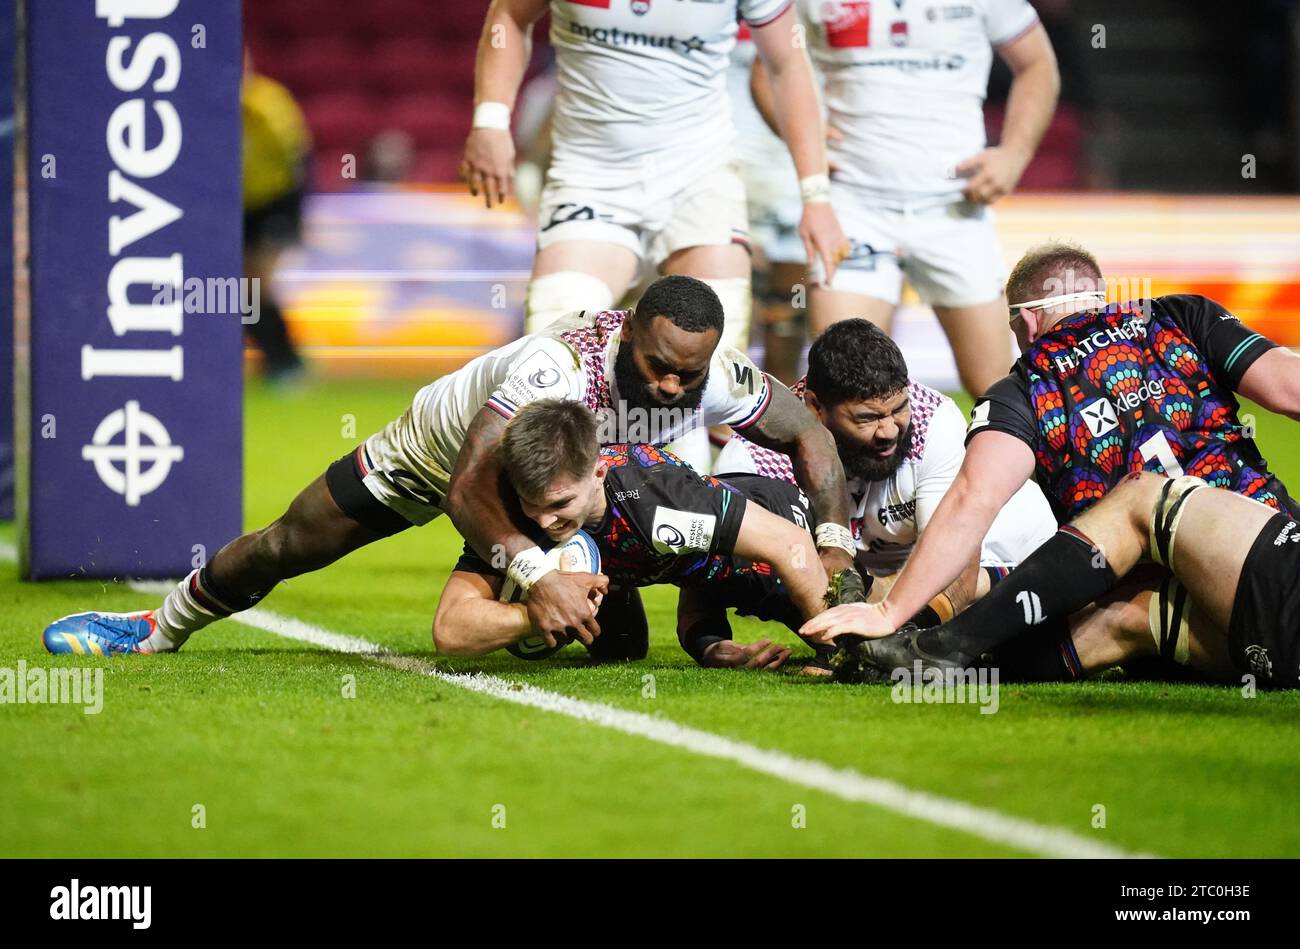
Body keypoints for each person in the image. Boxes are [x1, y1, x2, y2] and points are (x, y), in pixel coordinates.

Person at [42, 277, 855, 656]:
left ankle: (593, 625)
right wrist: (537, 575)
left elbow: (812, 440)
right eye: (657, 366)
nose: (672, 385)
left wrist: (832, 544)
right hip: (441, 459)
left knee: (620, 598)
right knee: (290, 544)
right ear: (627, 330)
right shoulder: (557, 365)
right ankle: (160, 628)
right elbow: (470, 482)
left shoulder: (713, 371)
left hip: (561, 485)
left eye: (688, 375)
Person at [800, 241, 1300, 645]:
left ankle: (921, 653)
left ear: (1027, 320)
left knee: (1068, 621)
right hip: (1268, 544)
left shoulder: (1021, 391)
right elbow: (1288, 389)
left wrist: (889, 611)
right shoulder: (1180, 317)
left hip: (1164, 598)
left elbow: (973, 501)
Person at [460, 0, 847, 358]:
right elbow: (508, 16)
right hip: (591, 178)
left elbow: (786, 65)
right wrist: (490, 121)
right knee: (555, 356)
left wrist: (815, 196)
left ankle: (701, 435)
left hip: (700, 178)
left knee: (718, 363)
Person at [752, 0, 1060, 396]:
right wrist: (805, 146)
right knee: (847, 388)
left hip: (954, 209)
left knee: (997, 391)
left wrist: (1015, 153)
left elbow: (1037, 64)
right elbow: (768, 70)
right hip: (854, 208)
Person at [432, 400, 851, 663]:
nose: (543, 522)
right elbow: (450, 630)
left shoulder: (654, 501)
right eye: (531, 504)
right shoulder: (510, 511)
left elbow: (788, 544)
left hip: (778, 538)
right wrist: (532, 614)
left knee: (871, 645)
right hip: (697, 569)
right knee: (620, 650)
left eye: (560, 504)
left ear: (598, 473)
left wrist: (841, 655)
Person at [814, 473, 1300, 691]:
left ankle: (939, 649)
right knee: (1132, 616)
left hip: (1284, 601)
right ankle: (903, 668)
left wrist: (891, 612)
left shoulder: (1011, 398)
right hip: (1281, 652)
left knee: (1144, 496)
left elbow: (972, 501)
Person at [713, 318, 1055, 613]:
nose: (889, 431)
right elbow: (709, 569)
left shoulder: (934, 419)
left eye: (898, 409)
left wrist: (879, 614)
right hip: (876, 578)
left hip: (991, 548)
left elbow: (951, 571)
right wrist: (708, 642)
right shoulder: (752, 458)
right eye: (867, 418)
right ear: (815, 406)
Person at [726, 21, 807, 382]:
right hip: (737, 166)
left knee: (793, 304)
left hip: (796, 170)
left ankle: (785, 400)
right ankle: (727, 412)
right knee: (738, 302)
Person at [242, 56, 310, 384]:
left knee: (258, 286)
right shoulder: (205, 104)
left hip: (273, 205)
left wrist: (294, 213)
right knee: (238, 290)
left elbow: (298, 157)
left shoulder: (267, 102)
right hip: (236, 207)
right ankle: (272, 360)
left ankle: (287, 362)